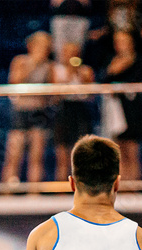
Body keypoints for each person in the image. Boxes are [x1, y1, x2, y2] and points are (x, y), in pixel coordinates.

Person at [1, 32, 54, 187]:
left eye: (47, 47)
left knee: (36, 156)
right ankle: (7, 193)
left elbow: (52, 91)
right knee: (13, 155)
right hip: (20, 112)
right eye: (41, 46)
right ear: (31, 46)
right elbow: (14, 81)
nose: (44, 50)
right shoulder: (20, 61)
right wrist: (33, 64)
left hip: (39, 112)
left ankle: (34, 193)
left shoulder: (48, 65)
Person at [100, 30, 142, 181]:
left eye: (123, 41)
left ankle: (134, 185)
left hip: (132, 109)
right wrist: (112, 68)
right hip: (116, 110)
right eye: (117, 41)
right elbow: (104, 79)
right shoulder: (110, 60)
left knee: (132, 149)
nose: (120, 45)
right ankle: (122, 184)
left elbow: (136, 79)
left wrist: (121, 66)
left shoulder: (138, 60)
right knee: (119, 150)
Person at [53, 42, 95, 182]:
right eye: (67, 52)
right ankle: (61, 189)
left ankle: (83, 188)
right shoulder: (55, 69)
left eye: (73, 52)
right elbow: (55, 93)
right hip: (62, 110)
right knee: (62, 153)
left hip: (80, 110)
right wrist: (69, 74)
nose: (70, 56)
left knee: (81, 153)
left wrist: (78, 73)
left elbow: (90, 94)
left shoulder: (86, 70)